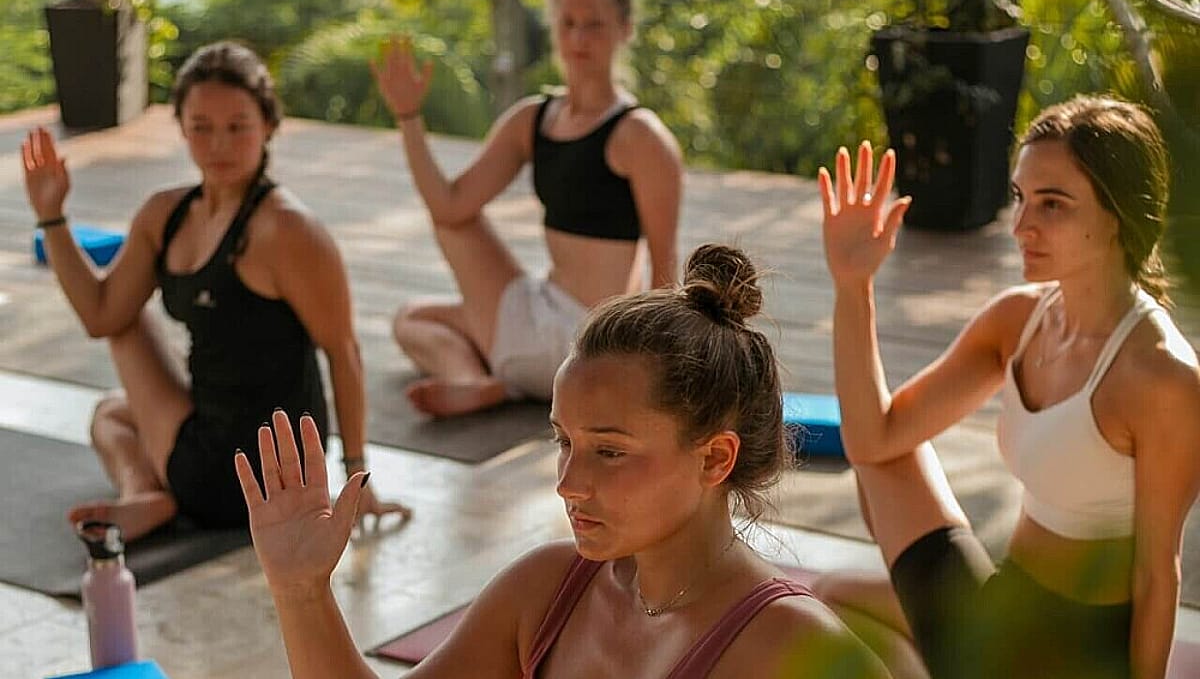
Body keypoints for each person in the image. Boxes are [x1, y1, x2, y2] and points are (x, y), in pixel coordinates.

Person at [235, 244, 891, 678]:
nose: (569, 483)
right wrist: (301, 591)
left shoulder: (797, 650)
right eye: (563, 441)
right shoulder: (547, 588)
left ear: (716, 457)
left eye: (609, 450)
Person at [814, 96, 1200, 679]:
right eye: (1021, 197)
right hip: (1000, 608)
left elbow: (1156, 573)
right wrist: (852, 285)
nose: (1021, 226)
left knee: (841, 617)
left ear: (1117, 213)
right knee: (828, 589)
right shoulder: (1018, 320)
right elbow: (872, 441)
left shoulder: (1160, 378)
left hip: (1066, 657)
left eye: (1053, 204)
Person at [20, 41, 408, 541]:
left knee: (124, 334)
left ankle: (145, 494)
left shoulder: (287, 231)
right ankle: (145, 493)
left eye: (237, 127)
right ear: (181, 127)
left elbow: (344, 354)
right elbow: (97, 313)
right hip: (218, 447)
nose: (219, 144)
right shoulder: (167, 215)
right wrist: (52, 215)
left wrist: (356, 480)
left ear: (268, 125)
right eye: (201, 128)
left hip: (260, 481)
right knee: (111, 414)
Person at [371, 0, 683, 416]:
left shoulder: (640, 137)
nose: (578, 37)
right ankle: (480, 382)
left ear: (625, 29)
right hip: (539, 320)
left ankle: (485, 379)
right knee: (410, 318)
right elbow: (450, 204)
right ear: (553, 28)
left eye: (594, 24)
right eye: (567, 23)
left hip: (592, 344)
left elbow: (664, 274)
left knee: (441, 257)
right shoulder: (533, 120)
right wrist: (408, 116)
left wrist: (651, 379)